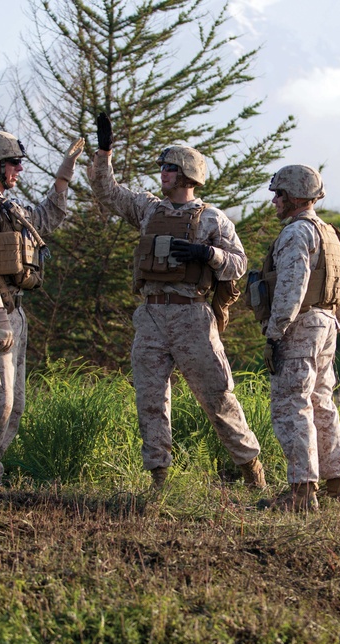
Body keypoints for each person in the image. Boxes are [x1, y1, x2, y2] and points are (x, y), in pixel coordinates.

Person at [86, 112, 265, 490]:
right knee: (150, 401)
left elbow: (239, 264)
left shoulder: (213, 219)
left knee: (217, 398)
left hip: (192, 317)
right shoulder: (150, 208)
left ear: (186, 175)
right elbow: (108, 192)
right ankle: (160, 480)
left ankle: (252, 471)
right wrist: (104, 153)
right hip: (151, 314)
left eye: (168, 168)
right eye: (163, 168)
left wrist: (207, 255)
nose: (162, 174)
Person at [0, 130, 84, 505]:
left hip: (11, 311)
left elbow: (44, 220)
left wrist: (65, 174)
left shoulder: (3, 204)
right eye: (13, 163)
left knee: (14, 404)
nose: (19, 169)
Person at [249, 164, 340, 511]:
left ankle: (302, 492)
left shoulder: (296, 234)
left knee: (292, 404)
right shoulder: (329, 233)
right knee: (322, 402)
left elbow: (291, 287)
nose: (275, 201)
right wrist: (335, 322)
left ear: (295, 196)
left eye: (279, 194)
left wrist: (276, 333)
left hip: (301, 326)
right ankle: (337, 484)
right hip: (326, 323)